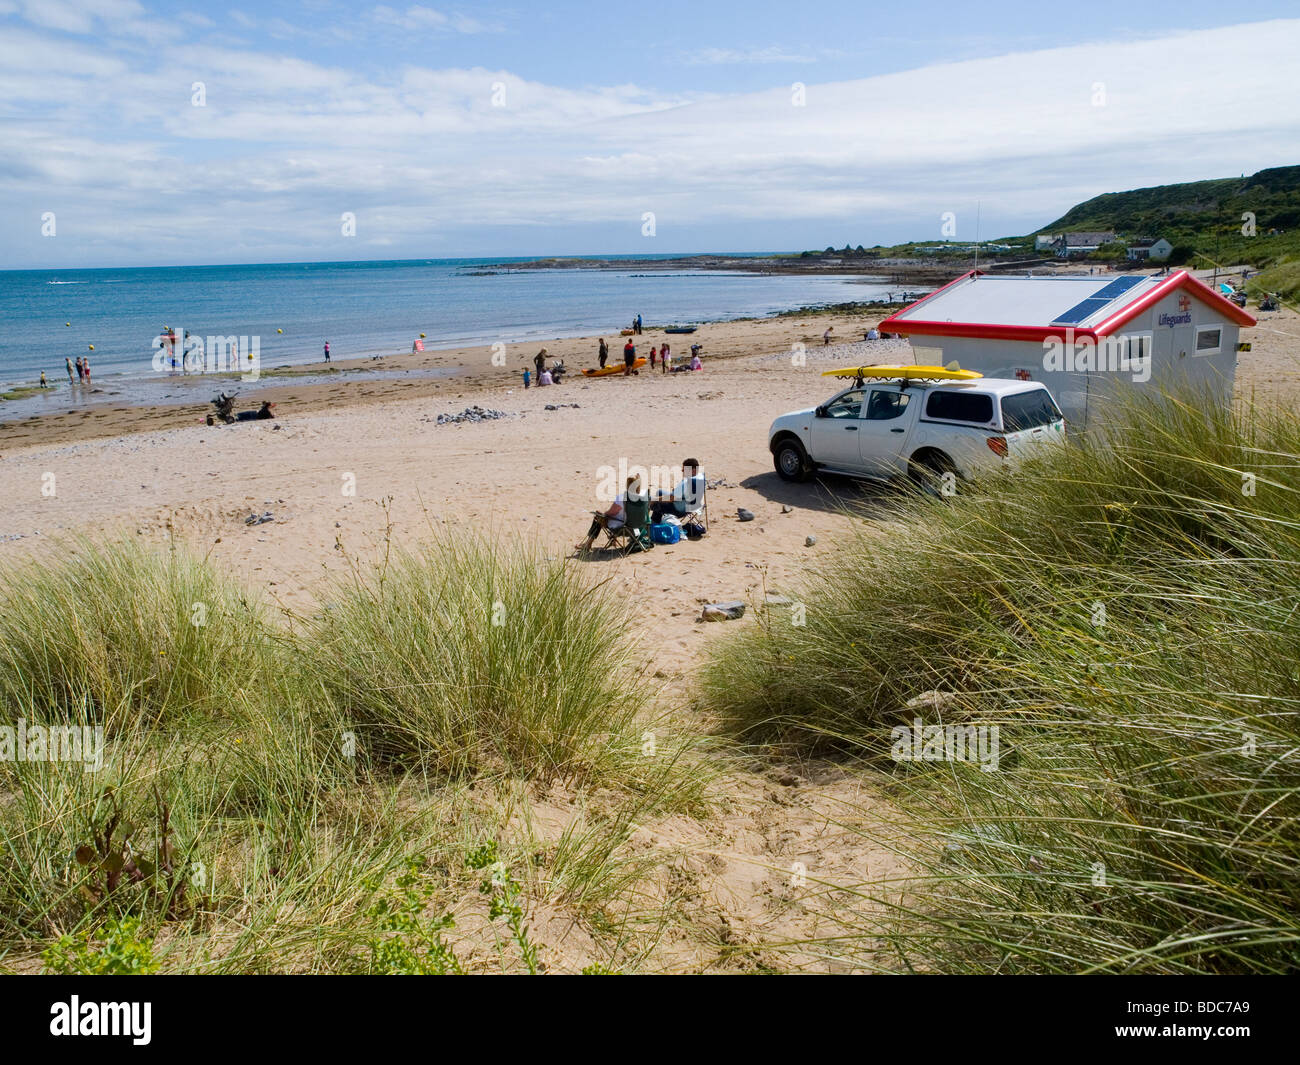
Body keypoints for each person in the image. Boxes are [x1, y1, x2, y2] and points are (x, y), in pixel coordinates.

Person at [577, 474, 643, 552]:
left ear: (627, 485)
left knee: (598, 517)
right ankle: (613, 541)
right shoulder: (642, 498)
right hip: (637, 528)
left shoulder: (622, 498)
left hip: (623, 528)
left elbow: (610, 513)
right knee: (609, 517)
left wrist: (602, 514)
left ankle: (588, 544)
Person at [651, 458, 705, 523]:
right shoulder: (701, 477)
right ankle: (658, 521)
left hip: (679, 510)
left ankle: (654, 524)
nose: (682, 471)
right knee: (660, 492)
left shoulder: (686, 482)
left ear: (693, 470)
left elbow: (671, 498)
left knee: (656, 504)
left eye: (684, 469)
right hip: (695, 505)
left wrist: (655, 499)